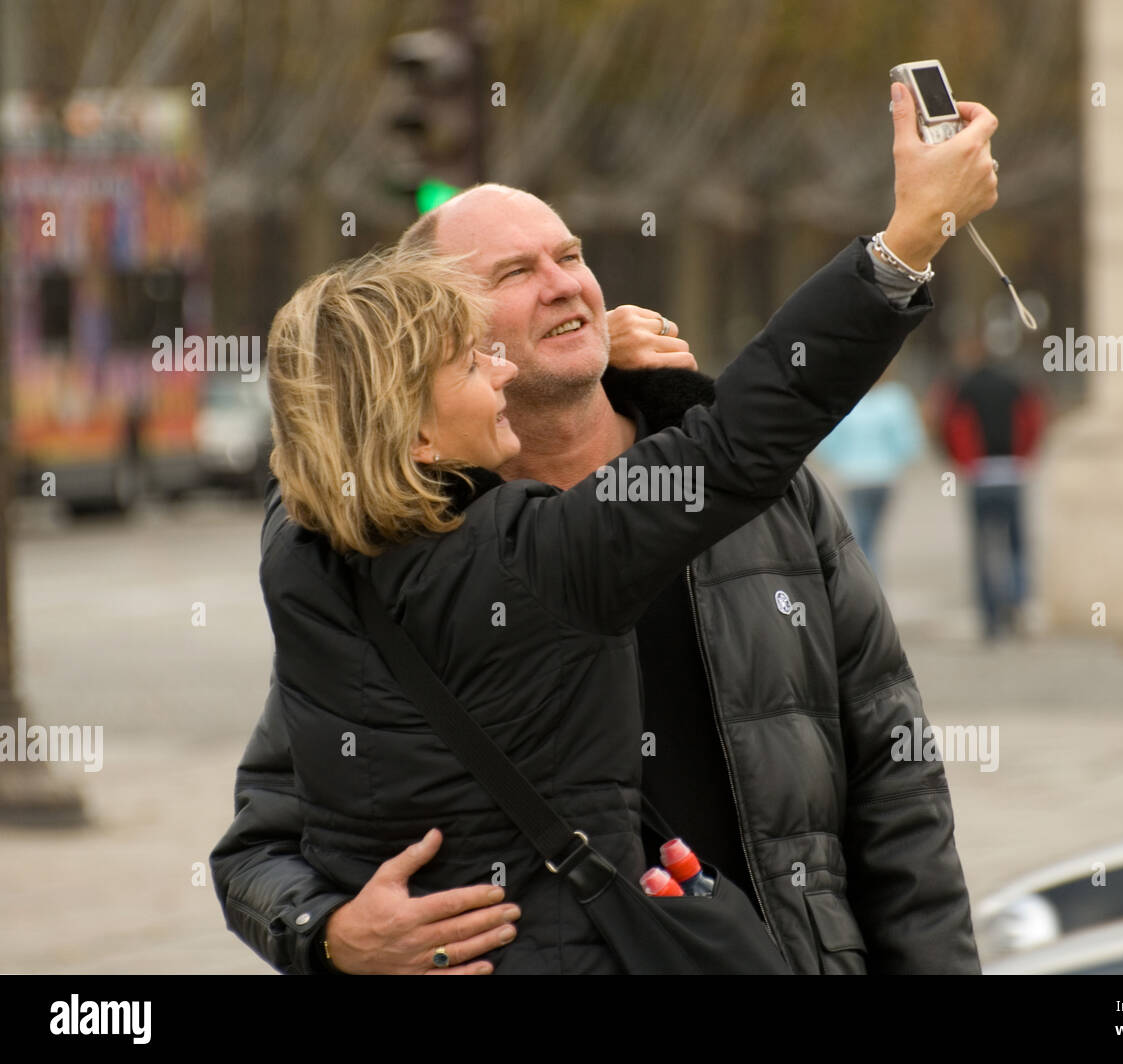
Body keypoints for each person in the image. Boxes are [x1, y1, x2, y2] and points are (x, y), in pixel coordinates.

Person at [212, 84, 999, 974]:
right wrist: (328, 934)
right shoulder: (441, 553)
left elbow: (899, 784)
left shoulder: (776, 507)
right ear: (431, 367)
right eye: (514, 275)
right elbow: (258, 846)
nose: (565, 285)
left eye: (571, 256)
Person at [926, 333, 1047, 640]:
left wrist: (963, 462)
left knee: (982, 548)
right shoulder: (1015, 383)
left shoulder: (961, 387)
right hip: (1011, 470)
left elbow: (948, 426)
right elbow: (1035, 419)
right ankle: (1017, 605)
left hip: (979, 473)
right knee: (1015, 545)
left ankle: (990, 618)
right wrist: (1024, 457)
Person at [811, 364, 925, 575]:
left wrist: (840, 462)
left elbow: (829, 443)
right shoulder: (896, 398)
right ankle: (873, 580)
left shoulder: (845, 397)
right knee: (872, 534)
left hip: (854, 478)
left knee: (862, 534)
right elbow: (909, 442)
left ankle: (868, 581)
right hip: (885, 476)